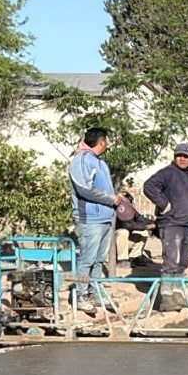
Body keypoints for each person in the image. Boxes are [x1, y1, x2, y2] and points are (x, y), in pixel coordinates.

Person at [143, 141, 188, 310]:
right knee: (172, 260)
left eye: (185, 156)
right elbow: (149, 186)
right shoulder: (167, 173)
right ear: (174, 157)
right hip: (172, 223)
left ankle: (177, 294)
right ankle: (167, 298)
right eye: (179, 156)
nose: (182, 159)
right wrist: (164, 205)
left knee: (182, 263)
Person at [67, 127, 123, 312]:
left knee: (99, 260)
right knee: (87, 259)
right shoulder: (81, 160)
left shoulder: (99, 162)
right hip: (89, 219)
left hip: (105, 218)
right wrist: (110, 198)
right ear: (101, 142)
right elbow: (84, 188)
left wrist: (116, 197)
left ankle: (94, 292)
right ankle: (81, 295)